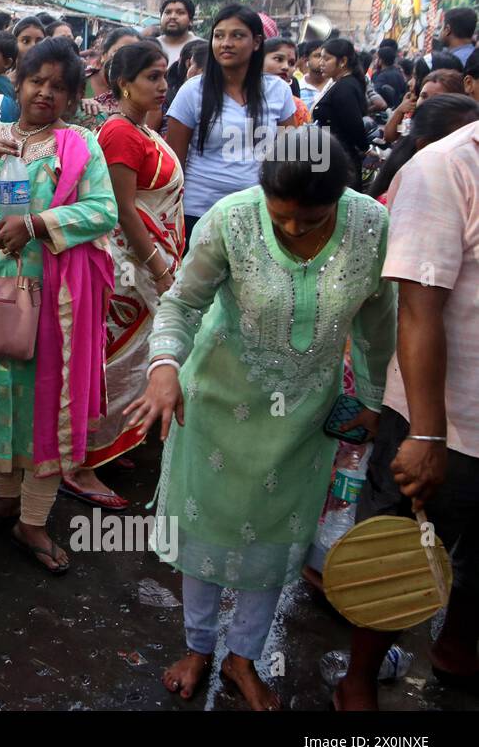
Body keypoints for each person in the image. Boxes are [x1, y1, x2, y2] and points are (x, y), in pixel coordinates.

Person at [127, 128, 395, 711]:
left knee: (275, 540)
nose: (294, 230)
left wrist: (373, 403)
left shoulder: (371, 227)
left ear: (342, 198)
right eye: (281, 219)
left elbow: (378, 322)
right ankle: (198, 647)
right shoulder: (231, 219)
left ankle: (243, 658)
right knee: (206, 532)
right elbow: (182, 302)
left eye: (312, 219)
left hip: (304, 418)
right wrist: (165, 365)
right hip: (216, 405)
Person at [334, 116, 479, 711]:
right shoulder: (446, 166)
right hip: (446, 416)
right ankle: (358, 681)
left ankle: (457, 646)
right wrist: (426, 432)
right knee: (399, 554)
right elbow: (417, 309)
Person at [0, 37, 118, 566]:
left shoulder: (80, 146)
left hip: (51, 304)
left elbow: (103, 211)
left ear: (72, 98)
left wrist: (35, 224)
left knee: (42, 408)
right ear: (18, 83)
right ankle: (6, 501)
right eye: (36, 81)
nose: (44, 93)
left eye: (58, 87)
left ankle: (33, 521)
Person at [77, 41, 183, 498]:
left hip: (148, 266)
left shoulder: (143, 129)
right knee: (111, 361)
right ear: (123, 83)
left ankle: (111, 442)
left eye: (164, 76)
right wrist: (159, 269)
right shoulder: (120, 133)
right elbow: (122, 211)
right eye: (152, 77)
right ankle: (81, 463)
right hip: (129, 272)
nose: (163, 86)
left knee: (137, 359)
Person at [165, 4, 296, 240]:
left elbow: (289, 157)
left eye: (237, 35)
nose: (226, 43)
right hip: (200, 212)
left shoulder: (278, 91)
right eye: (219, 35)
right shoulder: (193, 91)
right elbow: (175, 163)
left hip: (259, 212)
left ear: (256, 42)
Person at [312, 38, 369, 181]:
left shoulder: (346, 87)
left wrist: (365, 148)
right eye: (320, 58)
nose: (321, 63)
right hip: (330, 154)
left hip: (339, 159)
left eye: (327, 59)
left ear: (343, 61)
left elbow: (354, 124)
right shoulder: (341, 83)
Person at [74, 26, 140, 130]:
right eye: (118, 52)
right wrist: (77, 102)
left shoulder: (134, 95)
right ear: (104, 54)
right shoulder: (76, 80)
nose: (125, 59)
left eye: (133, 56)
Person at [383, 69, 466, 145]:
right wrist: (399, 111)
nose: (426, 103)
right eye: (423, 96)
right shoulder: (413, 124)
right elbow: (390, 136)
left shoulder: (453, 139)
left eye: (436, 99)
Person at [263, 37, 310, 124]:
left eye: (291, 63)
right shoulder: (237, 93)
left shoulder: (298, 107)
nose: (286, 67)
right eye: (278, 59)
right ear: (259, 59)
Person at [155, 0, 199, 66]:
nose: (172, 17)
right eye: (168, 12)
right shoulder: (151, 46)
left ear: (191, 21)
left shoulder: (201, 48)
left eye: (180, 13)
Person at [372, 43, 408, 107]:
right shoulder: (399, 73)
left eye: (377, 58)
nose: (375, 60)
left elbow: (374, 95)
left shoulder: (382, 76)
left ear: (381, 60)